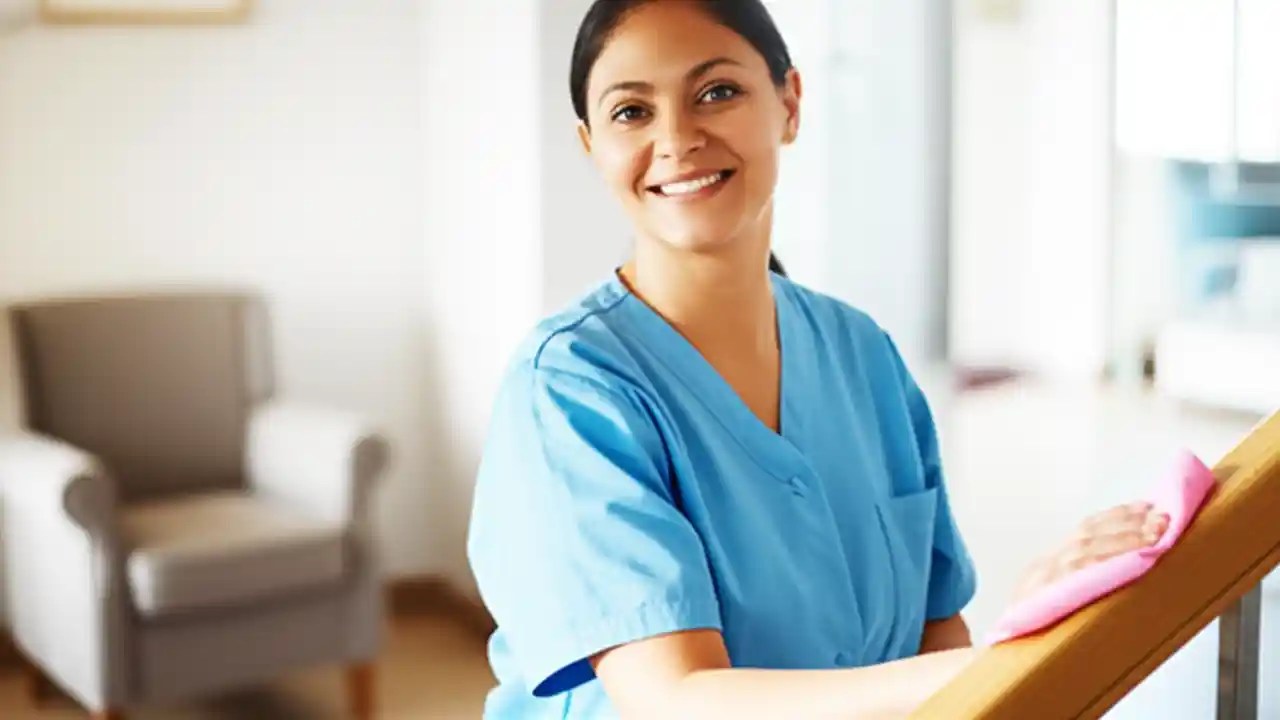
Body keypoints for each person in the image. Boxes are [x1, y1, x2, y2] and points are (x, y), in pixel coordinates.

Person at [466, 1, 1171, 717]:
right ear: (590, 146)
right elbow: (676, 700)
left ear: (789, 104)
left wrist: (1025, 635)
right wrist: (1001, 660)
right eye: (631, 113)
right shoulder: (569, 389)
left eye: (716, 92)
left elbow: (934, 633)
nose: (676, 138)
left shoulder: (863, 356)